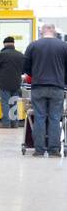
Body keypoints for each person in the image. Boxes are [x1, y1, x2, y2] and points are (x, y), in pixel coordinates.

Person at [22, 24, 67, 156]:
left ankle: (39, 150)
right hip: (57, 87)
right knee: (55, 118)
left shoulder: (33, 45)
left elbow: (25, 66)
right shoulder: (64, 46)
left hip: (38, 87)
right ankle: (54, 150)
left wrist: (35, 74)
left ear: (42, 31)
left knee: (40, 118)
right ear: (54, 31)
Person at [0, 35, 26, 128]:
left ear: (4, 44)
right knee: (13, 102)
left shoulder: (2, 54)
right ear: (13, 44)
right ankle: (14, 123)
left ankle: (6, 123)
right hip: (16, 82)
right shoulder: (20, 55)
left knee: (5, 103)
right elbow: (23, 70)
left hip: (4, 83)